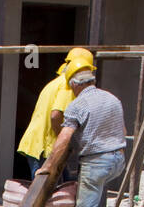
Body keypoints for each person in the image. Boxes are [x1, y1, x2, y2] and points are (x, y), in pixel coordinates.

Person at [38, 66, 126, 207]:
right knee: (89, 200)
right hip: (118, 159)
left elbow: (64, 136)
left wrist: (49, 165)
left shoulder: (78, 105)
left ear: (75, 85)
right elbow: (122, 130)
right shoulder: (113, 99)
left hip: (97, 161)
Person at [16, 47, 94, 178]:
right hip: (44, 147)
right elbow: (56, 115)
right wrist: (64, 141)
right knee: (42, 193)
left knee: (57, 188)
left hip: (39, 144)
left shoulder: (57, 82)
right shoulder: (68, 86)